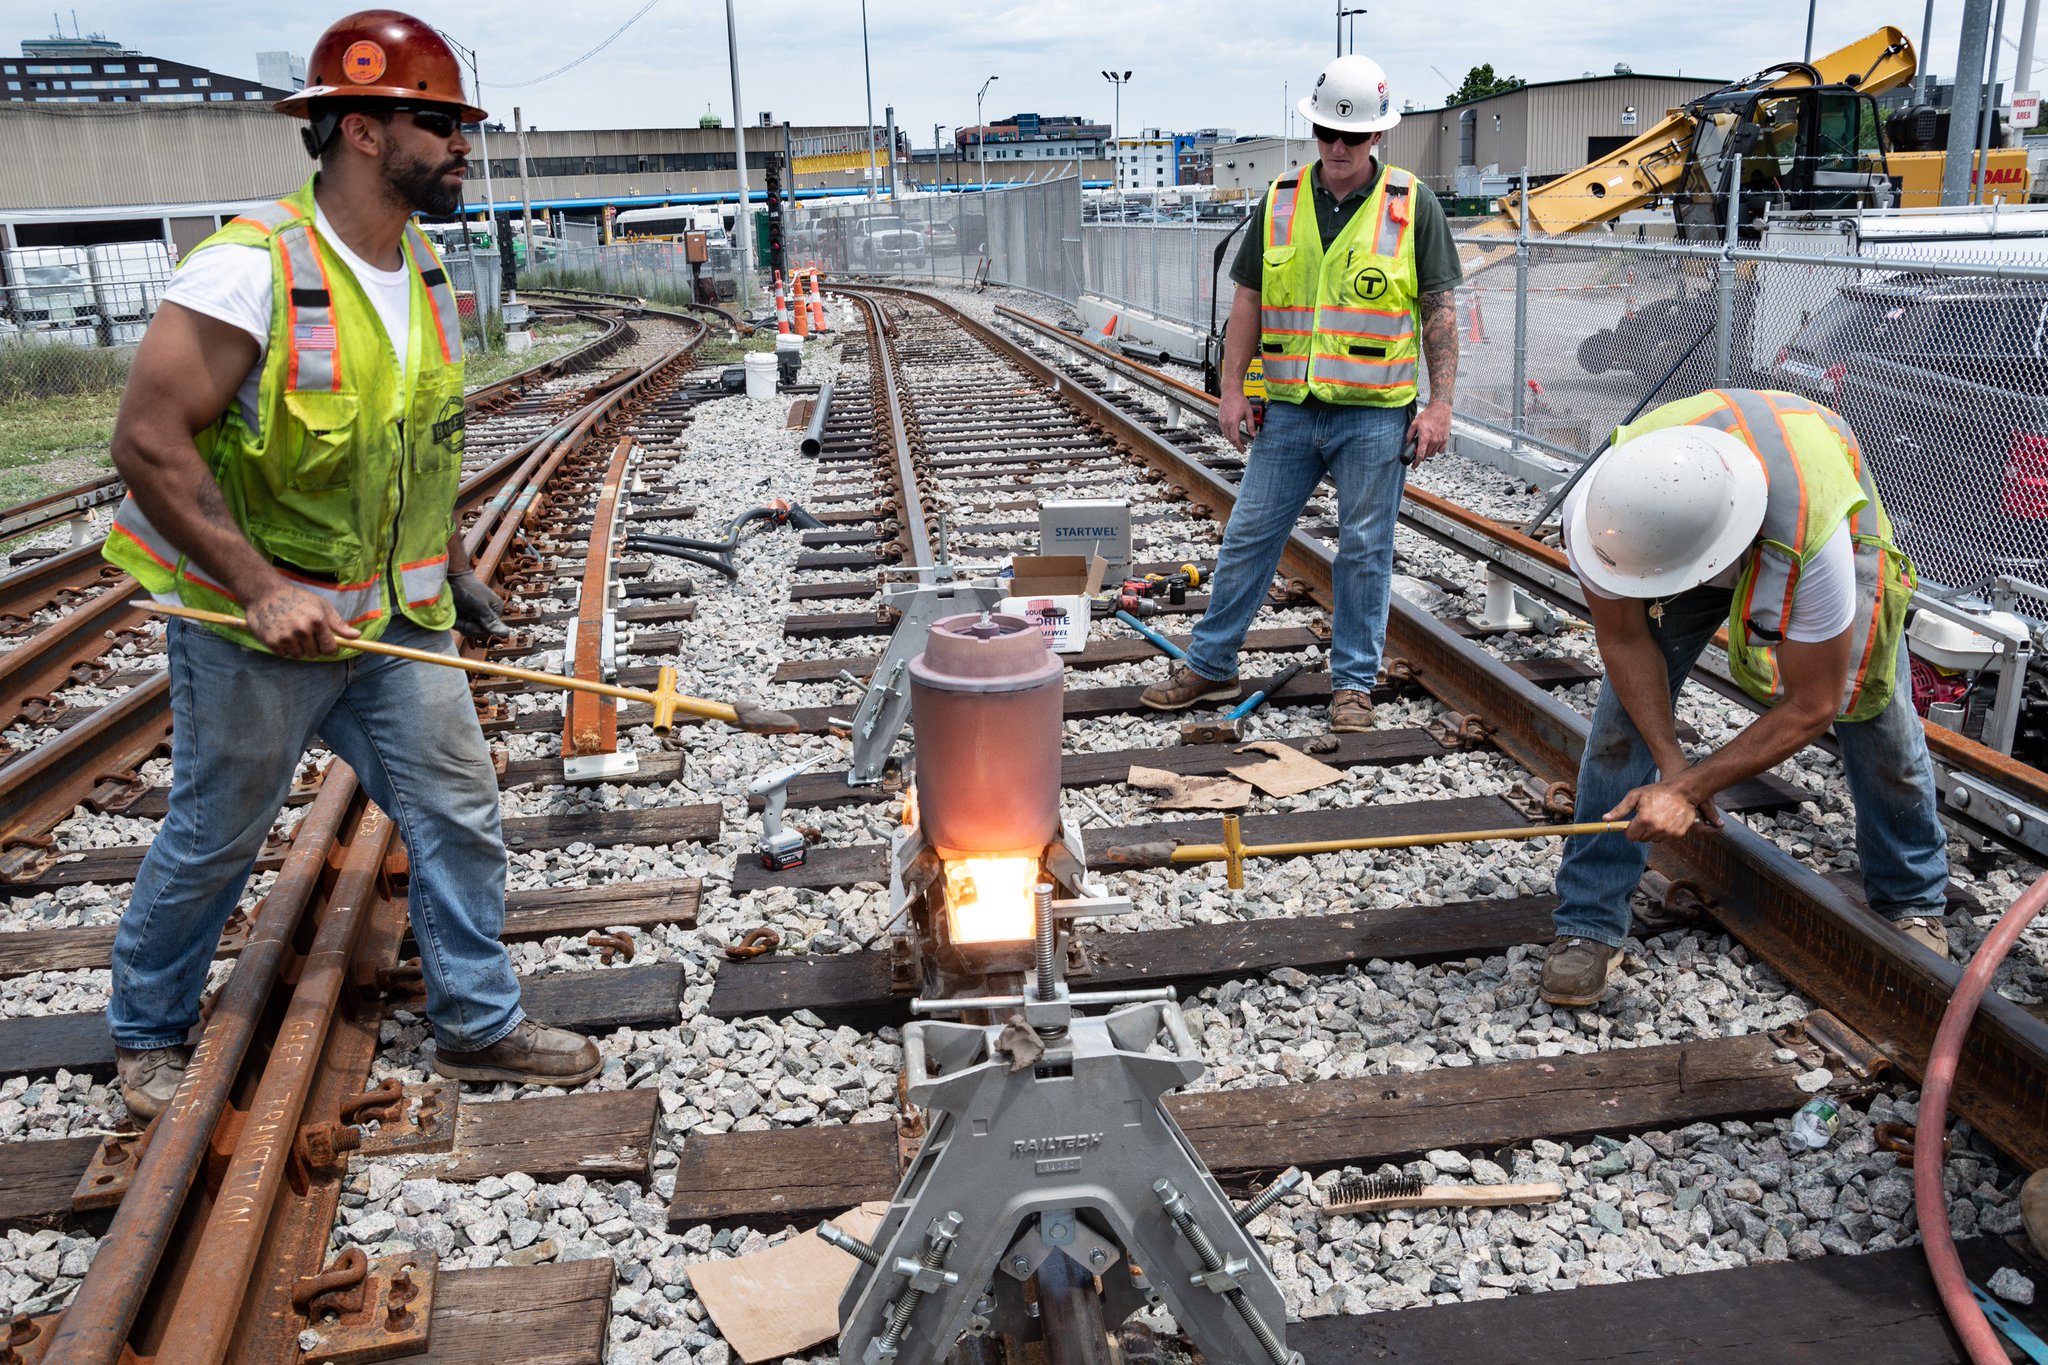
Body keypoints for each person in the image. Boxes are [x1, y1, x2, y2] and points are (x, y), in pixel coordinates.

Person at [101, 9, 599, 1120]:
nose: (462, 143)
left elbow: (410, 443)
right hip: (253, 634)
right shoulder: (248, 270)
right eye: (439, 122)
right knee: (217, 832)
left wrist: (456, 561)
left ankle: (479, 1024)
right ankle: (145, 1030)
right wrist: (258, 586)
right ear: (362, 133)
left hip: (395, 621)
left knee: (459, 808)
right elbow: (145, 442)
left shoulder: (420, 268)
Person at [1542, 388, 1949, 1007]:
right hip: (1682, 531)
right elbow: (1624, 638)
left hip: (1791, 513)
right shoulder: (1603, 512)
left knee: (1875, 712)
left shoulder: (1814, 544)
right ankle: (1589, 922)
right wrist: (1673, 766)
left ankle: (1912, 899)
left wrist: (1687, 789)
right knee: (1623, 722)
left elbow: (1814, 705)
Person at [1139, 53, 1462, 732]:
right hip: (1288, 410)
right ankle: (1210, 664)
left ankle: (1352, 687)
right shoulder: (1280, 200)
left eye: (1352, 136)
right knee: (1250, 535)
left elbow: (1439, 310)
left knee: (1366, 551)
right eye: (1325, 133)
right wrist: (1231, 390)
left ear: (1378, 136)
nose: (1337, 148)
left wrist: (1440, 405)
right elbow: (1249, 302)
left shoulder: (1411, 205)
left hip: (1374, 416)